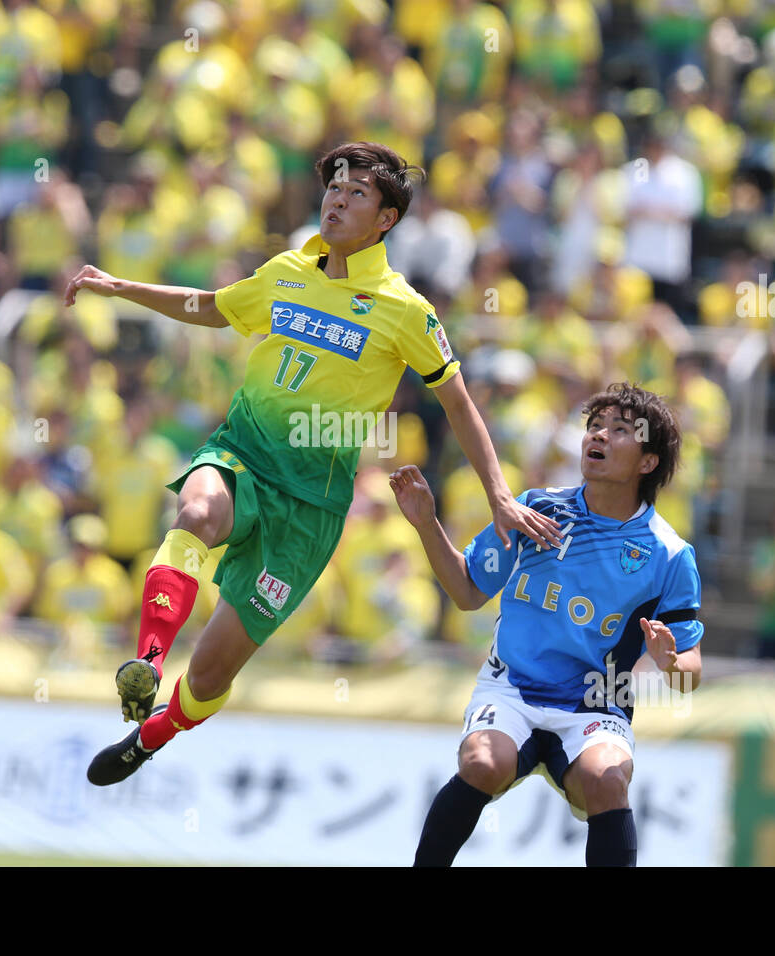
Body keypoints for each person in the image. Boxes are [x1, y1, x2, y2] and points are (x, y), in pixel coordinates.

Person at [65, 142, 563, 785]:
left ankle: (150, 735)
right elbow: (215, 307)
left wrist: (498, 495)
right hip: (243, 451)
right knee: (196, 508)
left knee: (215, 672)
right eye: (335, 187)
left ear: (386, 219)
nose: (338, 198)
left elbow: (460, 406)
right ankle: (149, 663)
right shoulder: (285, 271)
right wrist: (119, 287)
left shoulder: (405, 309)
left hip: (309, 507)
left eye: (358, 193)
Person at [391, 382, 704, 866]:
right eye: (594, 426)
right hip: (510, 690)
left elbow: (690, 675)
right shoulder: (538, 508)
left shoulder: (669, 555)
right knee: (482, 763)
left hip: (593, 707)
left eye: (619, 430)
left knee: (606, 781)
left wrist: (670, 662)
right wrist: (427, 523)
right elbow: (467, 592)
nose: (598, 436)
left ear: (648, 462)